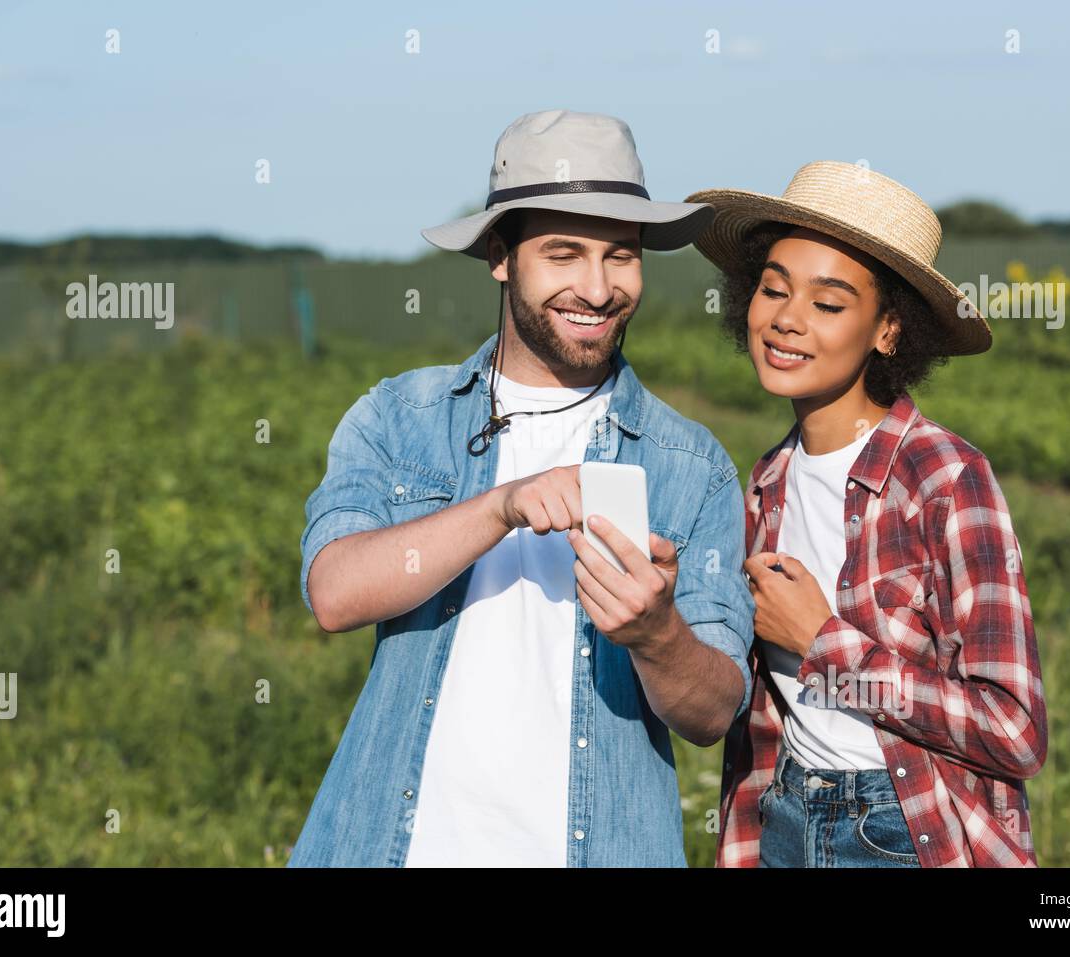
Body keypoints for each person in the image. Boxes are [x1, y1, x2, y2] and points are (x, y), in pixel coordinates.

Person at [287, 109, 753, 867]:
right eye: (563, 254)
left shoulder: (691, 464)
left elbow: (712, 711)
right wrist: (501, 503)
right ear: (500, 257)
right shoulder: (400, 415)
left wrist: (657, 633)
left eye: (620, 257)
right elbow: (334, 592)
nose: (597, 288)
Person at [685, 161, 1049, 867]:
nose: (787, 319)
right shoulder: (765, 482)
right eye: (774, 288)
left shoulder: (945, 478)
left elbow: (1015, 730)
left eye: (828, 303)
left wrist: (825, 641)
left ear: (888, 329)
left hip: (900, 829)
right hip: (783, 815)